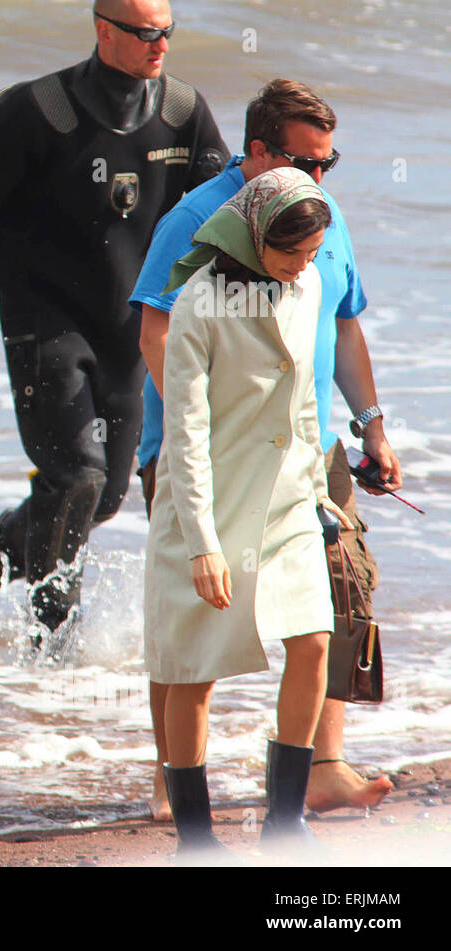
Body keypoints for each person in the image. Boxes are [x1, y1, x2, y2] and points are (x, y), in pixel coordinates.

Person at [0, 0, 228, 641]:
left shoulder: (182, 113)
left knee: (100, 497)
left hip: (129, 333)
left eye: (167, 31)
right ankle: (55, 642)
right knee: (76, 478)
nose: (159, 44)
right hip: (45, 327)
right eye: (144, 33)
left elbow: (221, 211)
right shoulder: (30, 114)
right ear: (104, 31)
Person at [132, 79, 396, 823]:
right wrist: (217, 457)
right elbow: (160, 349)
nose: (318, 181)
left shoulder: (313, 241)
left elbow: (340, 329)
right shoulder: (195, 251)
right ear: (255, 153)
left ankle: (304, 792)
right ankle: (182, 801)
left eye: (328, 164)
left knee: (321, 624)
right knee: (194, 647)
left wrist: (365, 429)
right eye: (302, 162)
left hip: (297, 469)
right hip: (210, 463)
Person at [146, 167, 350, 857]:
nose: (302, 270)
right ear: (256, 236)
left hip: (288, 494)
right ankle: (196, 841)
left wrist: (321, 489)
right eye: (291, 254)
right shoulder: (199, 303)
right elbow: (185, 429)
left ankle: (284, 821)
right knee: (193, 667)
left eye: (313, 255)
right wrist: (201, 540)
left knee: (314, 641)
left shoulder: (309, 283)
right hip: (210, 498)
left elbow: (301, 399)